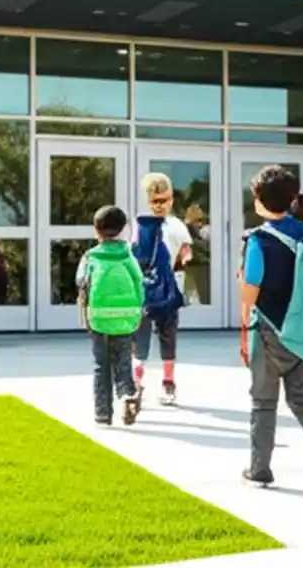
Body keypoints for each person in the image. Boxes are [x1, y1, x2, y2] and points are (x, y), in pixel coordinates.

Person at [239, 167, 303, 501]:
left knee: (263, 402)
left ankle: (259, 469)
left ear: (260, 201)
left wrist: (244, 324)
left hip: (268, 329)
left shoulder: (259, 239)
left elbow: (251, 285)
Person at [76, 205, 146, 427]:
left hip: (98, 319)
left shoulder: (91, 257)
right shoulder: (128, 256)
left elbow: (80, 281)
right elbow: (139, 284)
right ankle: (127, 394)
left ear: (96, 230)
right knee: (123, 361)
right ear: (123, 230)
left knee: (101, 365)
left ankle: (103, 414)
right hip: (126, 319)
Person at [133, 173, 194, 406]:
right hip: (153, 289)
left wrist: (182, 258)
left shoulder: (170, 226)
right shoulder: (147, 226)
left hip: (161, 289)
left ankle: (165, 383)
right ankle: (140, 383)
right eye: (155, 201)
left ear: (171, 200)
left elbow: (186, 253)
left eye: (164, 200)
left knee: (162, 336)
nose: (160, 205)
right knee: (144, 338)